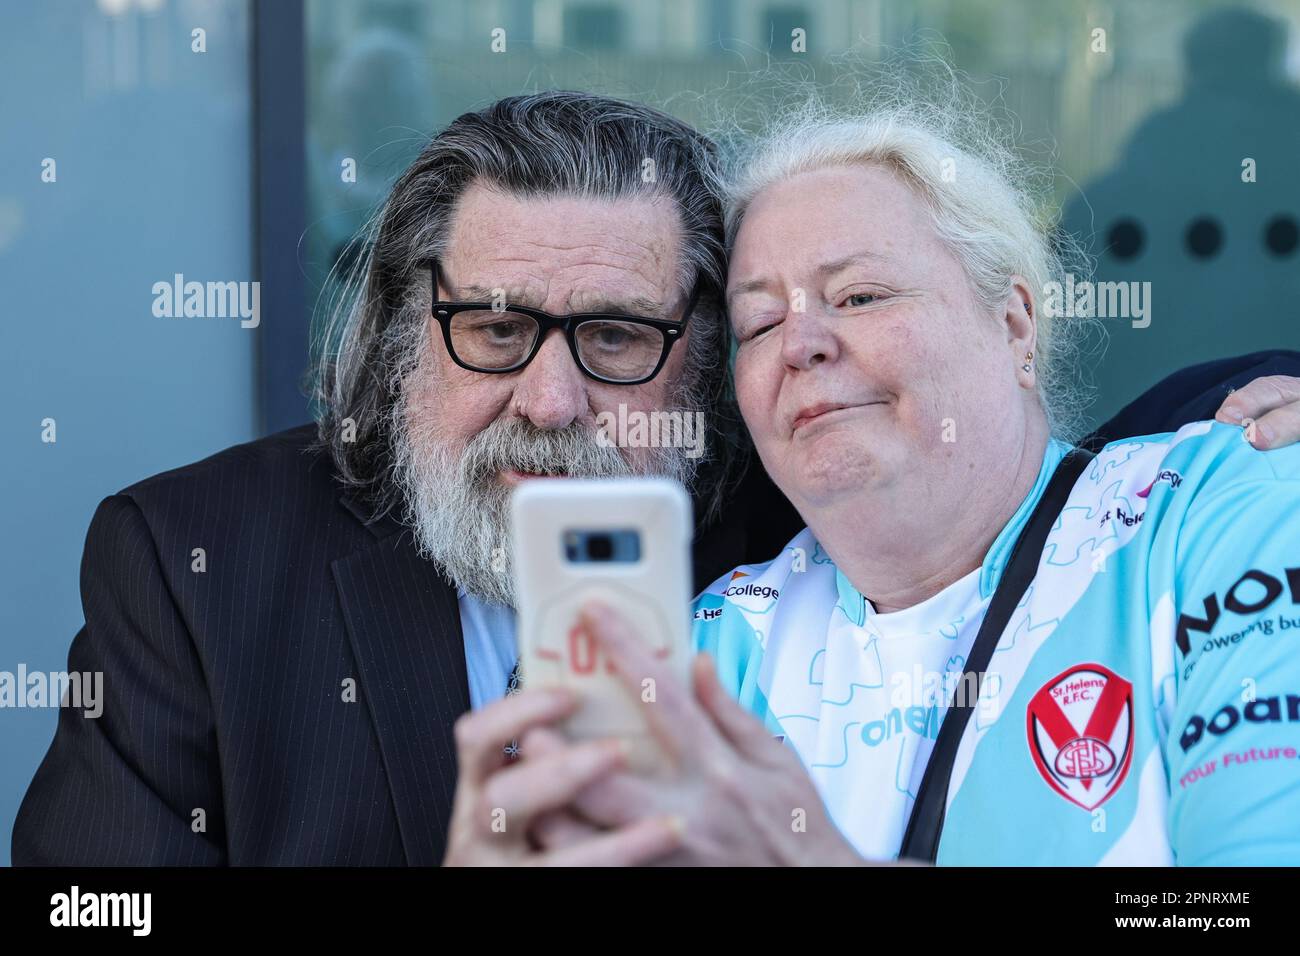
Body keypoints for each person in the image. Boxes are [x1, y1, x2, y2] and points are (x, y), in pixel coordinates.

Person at [13, 91, 1300, 867]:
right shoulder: (199, 561)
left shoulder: (778, 525)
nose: (553, 398)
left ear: (699, 372)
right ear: (408, 341)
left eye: (618, 337)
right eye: (496, 329)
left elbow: (1050, 483)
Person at [444, 95, 1300, 866]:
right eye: (761, 319)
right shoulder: (711, 650)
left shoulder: (1223, 509)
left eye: (857, 296)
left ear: (1012, 323)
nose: (801, 343)